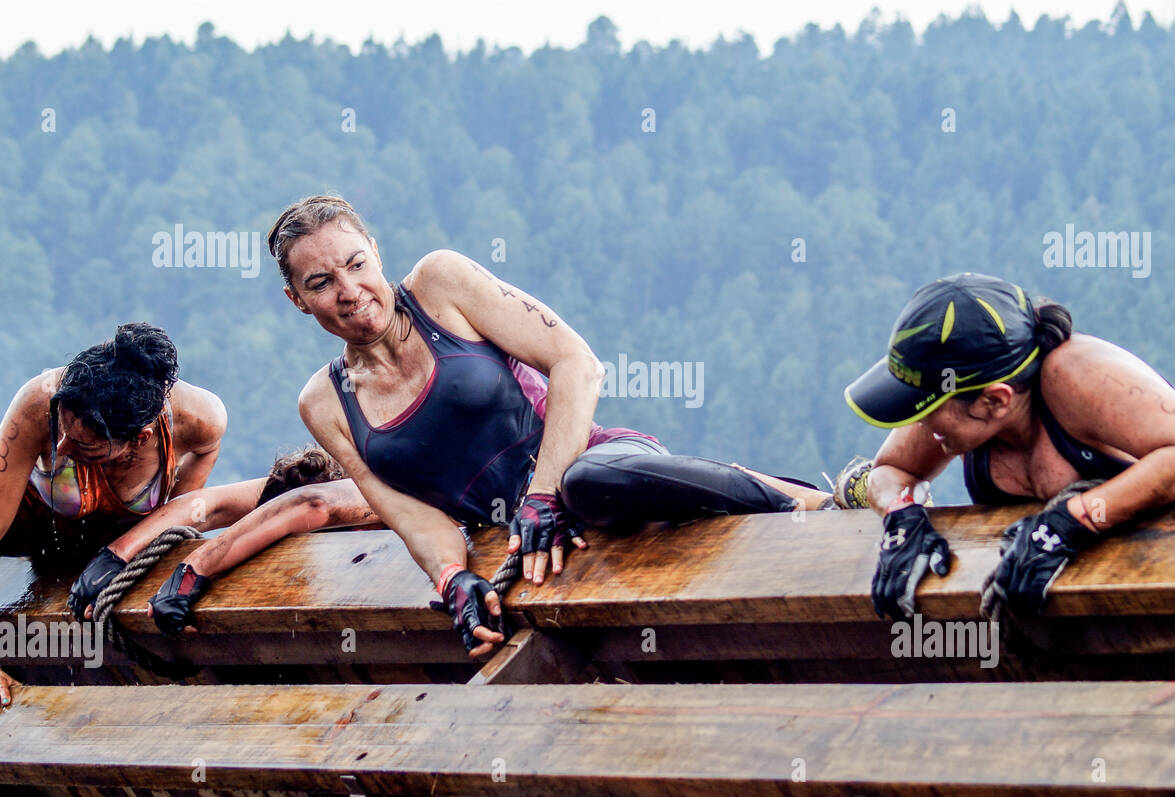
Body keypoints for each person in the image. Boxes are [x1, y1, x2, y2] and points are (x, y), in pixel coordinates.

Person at [271, 195, 829, 659]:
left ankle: (807, 505)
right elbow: (410, 514)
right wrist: (451, 580)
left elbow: (576, 364)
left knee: (585, 484)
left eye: (357, 263)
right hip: (522, 534)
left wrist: (543, 494)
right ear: (297, 299)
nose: (349, 290)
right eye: (321, 282)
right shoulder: (324, 403)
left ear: (377, 252)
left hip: (599, 464)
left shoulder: (440, 284)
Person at [836, 272, 1175, 620]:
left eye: (925, 410)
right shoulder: (953, 401)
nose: (917, 423)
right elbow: (889, 473)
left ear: (995, 400)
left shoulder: (1077, 376)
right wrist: (901, 513)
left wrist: (1072, 519)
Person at [0, 322, 227, 705]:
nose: (62, 446)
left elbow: (175, 520)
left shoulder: (199, 420)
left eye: (84, 445)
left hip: (101, 557)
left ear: (139, 438)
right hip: (21, 531)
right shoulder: (39, 404)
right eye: (62, 431)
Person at [66, 445, 379, 635]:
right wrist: (116, 556)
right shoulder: (296, 487)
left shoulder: (376, 491)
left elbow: (312, 504)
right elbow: (208, 506)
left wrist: (192, 572)